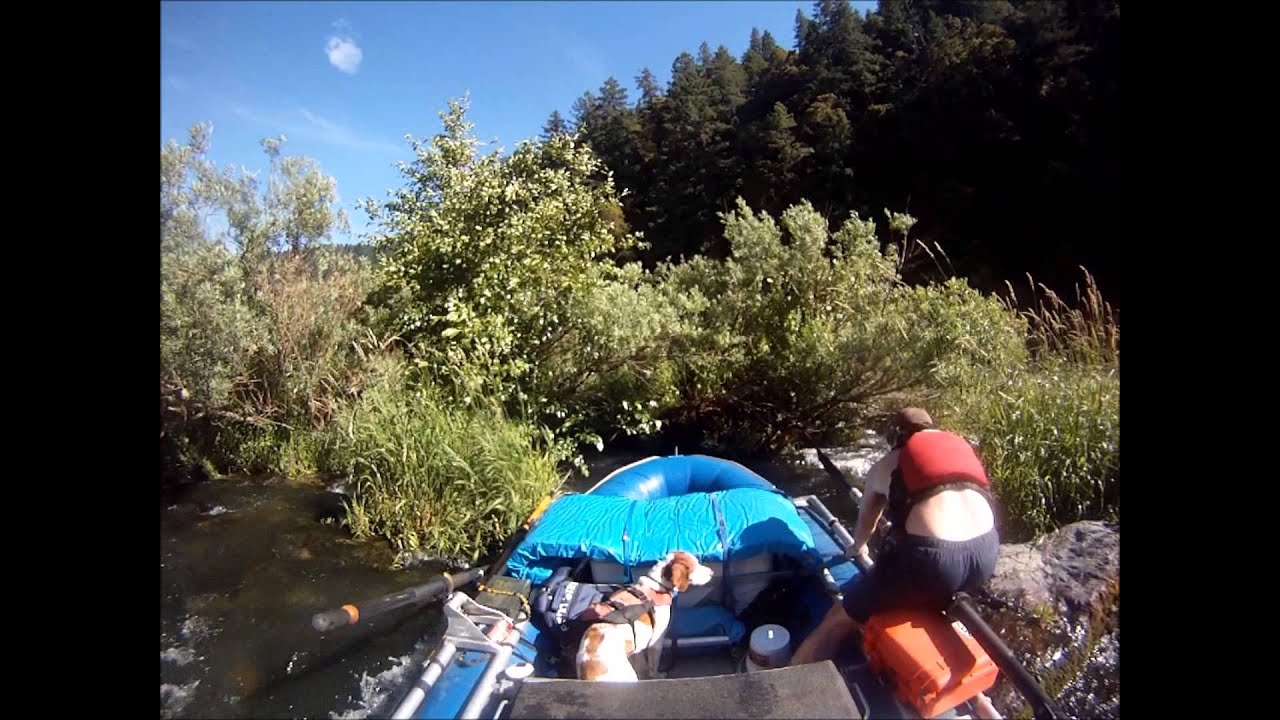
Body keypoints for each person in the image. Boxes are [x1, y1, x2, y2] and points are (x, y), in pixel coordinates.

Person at [790, 407, 999, 666]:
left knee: (837, 619)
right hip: (988, 551)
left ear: (897, 436)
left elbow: (868, 517)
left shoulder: (891, 462)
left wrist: (859, 546)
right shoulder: (958, 448)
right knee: (931, 606)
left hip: (934, 559)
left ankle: (788, 689)